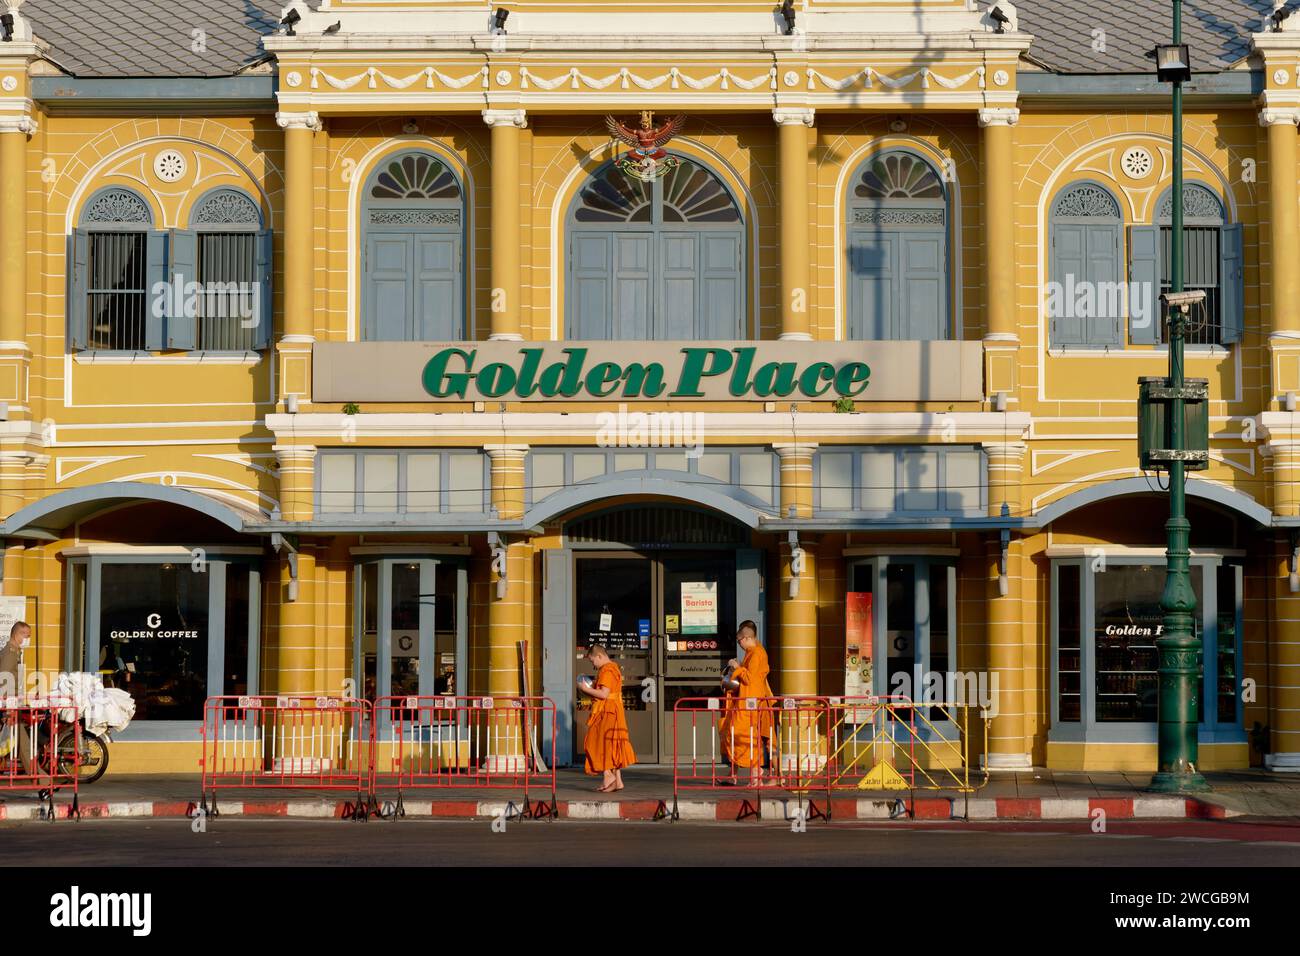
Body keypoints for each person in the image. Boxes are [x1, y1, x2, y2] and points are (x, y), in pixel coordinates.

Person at [577, 643, 635, 792]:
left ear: (599, 656)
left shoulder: (607, 671)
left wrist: (586, 689)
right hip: (613, 710)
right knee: (612, 743)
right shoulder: (613, 667)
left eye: (593, 661)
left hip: (607, 712)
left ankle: (608, 776)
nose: (593, 665)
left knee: (597, 742)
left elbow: (604, 694)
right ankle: (618, 781)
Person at [719, 620, 773, 780]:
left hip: (750, 701)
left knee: (745, 735)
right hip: (745, 699)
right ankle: (734, 773)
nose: (739, 644)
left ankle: (756, 772)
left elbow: (749, 678)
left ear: (747, 638)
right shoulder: (752, 652)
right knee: (736, 733)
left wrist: (737, 667)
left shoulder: (757, 654)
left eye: (739, 641)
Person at [0, 621, 34, 775]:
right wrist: (7, 711)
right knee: (23, 745)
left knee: (22, 744)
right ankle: (42, 781)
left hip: (13, 704)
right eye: (27, 636)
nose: (28, 639)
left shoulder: (14, 652)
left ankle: (41, 780)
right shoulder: (10, 653)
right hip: (9, 706)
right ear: (17, 634)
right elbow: (4, 680)